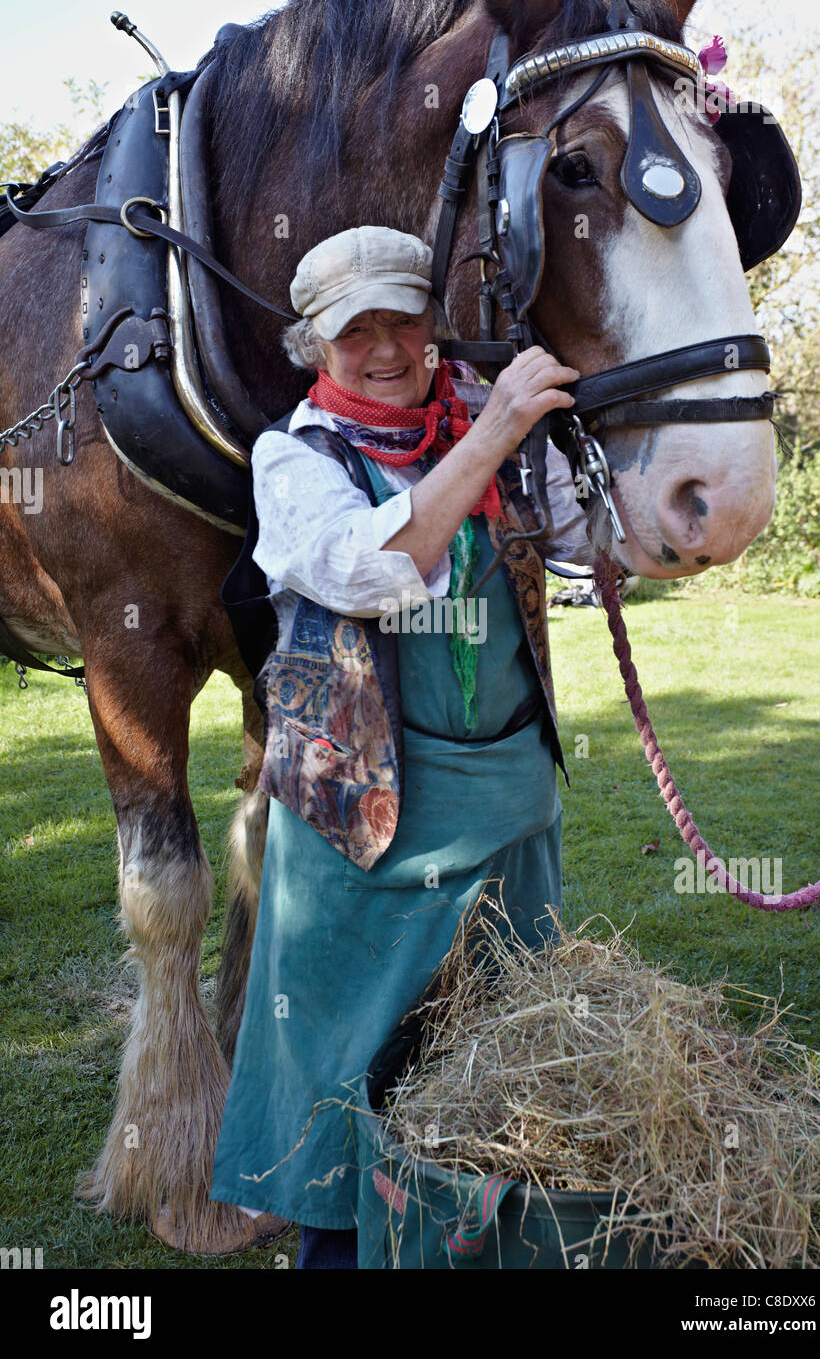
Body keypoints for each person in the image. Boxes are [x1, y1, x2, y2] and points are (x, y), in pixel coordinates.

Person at [210, 225, 591, 1269]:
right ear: (313, 349)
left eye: (404, 323)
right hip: (363, 838)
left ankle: (479, 1246)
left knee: (496, 1067)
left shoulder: (491, 432)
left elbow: (590, 544)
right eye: (354, 333)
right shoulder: (295, 459)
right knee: (347, 1073)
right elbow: (377, 569)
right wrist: (499, 428)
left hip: (507, 813)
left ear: (436, 330)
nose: (383, 349)